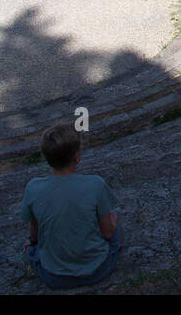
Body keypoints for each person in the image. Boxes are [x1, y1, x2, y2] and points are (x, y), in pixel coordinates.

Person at [22, 122, 122, 290]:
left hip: (53, 277)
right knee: (117, 228)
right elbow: (107, 233)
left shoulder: (33, 188)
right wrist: (113, 223)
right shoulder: (95, 184)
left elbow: (35, 231)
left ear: (47, 158)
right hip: (98, 269)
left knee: (32, 249)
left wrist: (32, 243)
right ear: (76, 157)